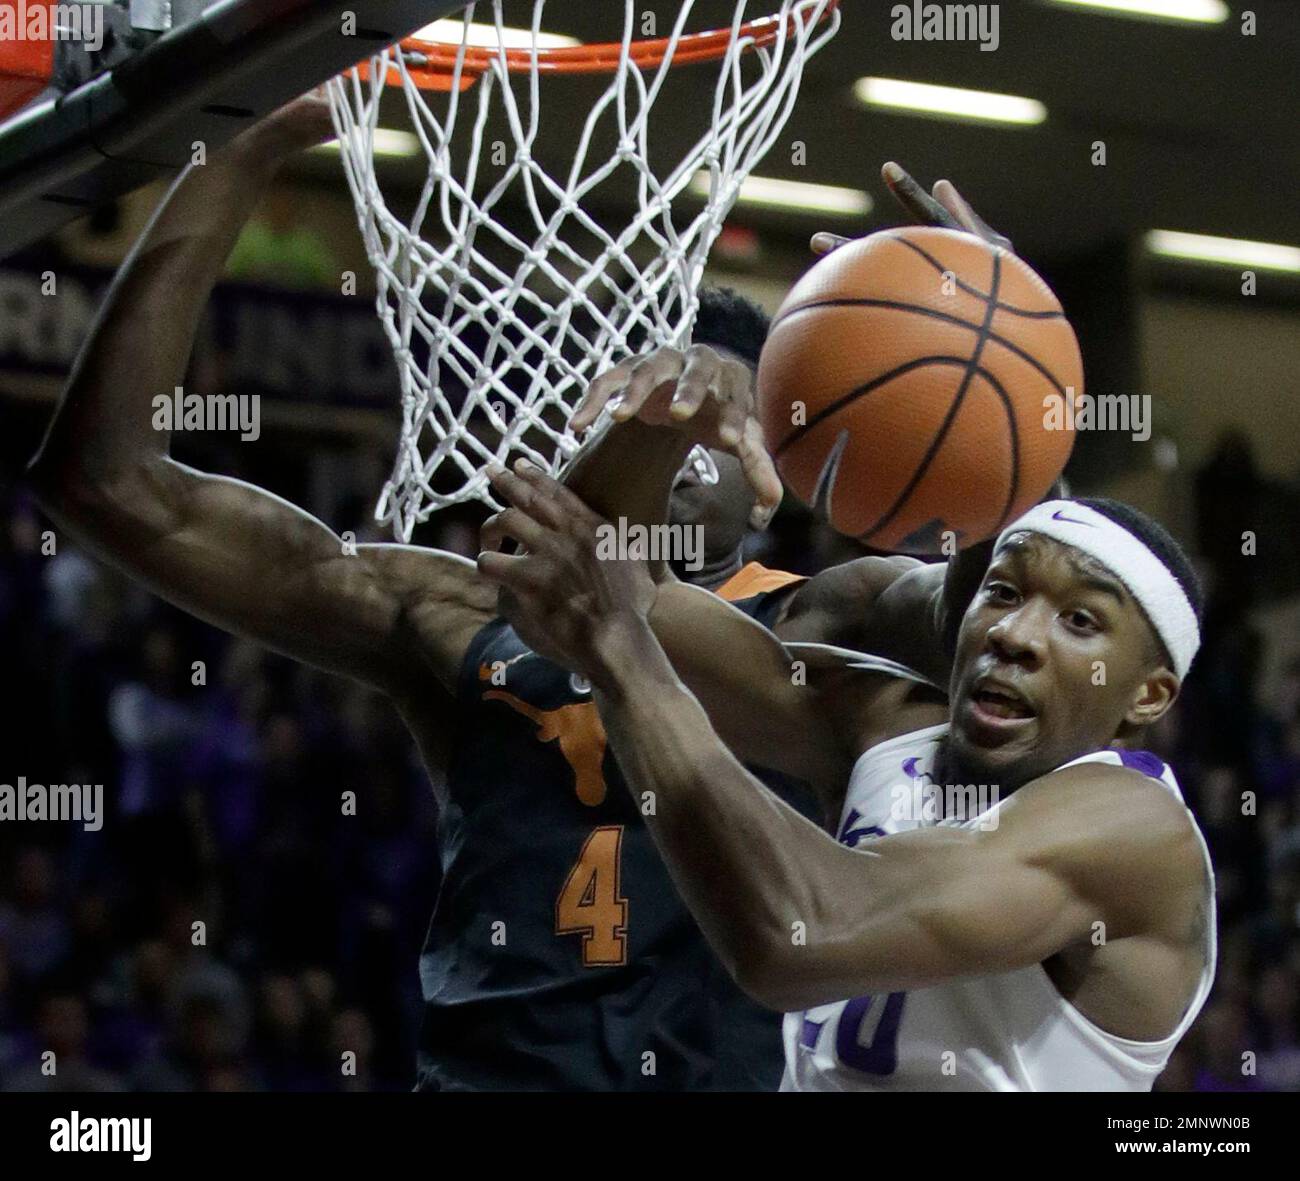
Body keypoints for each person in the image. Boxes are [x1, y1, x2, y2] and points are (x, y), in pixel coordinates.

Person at [27, 93, 988, 1090]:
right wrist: (235, 144)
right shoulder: (460, 616)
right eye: (654, 406)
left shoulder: (819, 620)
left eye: (715, 418)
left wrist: (993, 350)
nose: (682, 440)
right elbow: (110, 485)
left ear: (768, 475)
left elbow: (994, 632)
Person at [477, 411, 1217, 1092]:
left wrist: (619, 651)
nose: (1014, 634)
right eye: (1002, 590)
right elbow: (582, 575)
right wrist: (667, 413)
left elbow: (800, 935)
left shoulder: (1136, 829)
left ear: (1146, 696)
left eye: (1080, 620)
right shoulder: (884, 724)